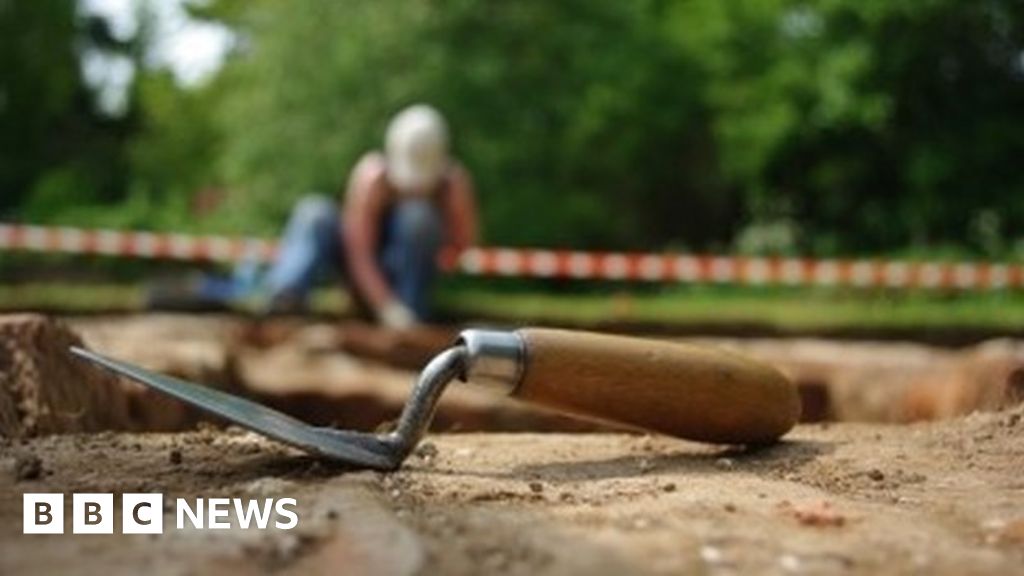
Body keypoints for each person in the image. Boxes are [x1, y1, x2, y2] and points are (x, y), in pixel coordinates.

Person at [167, 104, 478, 329]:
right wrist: (385, 307)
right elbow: (359, 254)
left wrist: (455, 205)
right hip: (362, 278)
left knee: (418, 218)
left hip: (400, 282)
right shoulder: (372, 177)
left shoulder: (450, 183)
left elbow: (462, 247)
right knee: (314, 212)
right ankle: (284, 299)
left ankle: (413, 315)